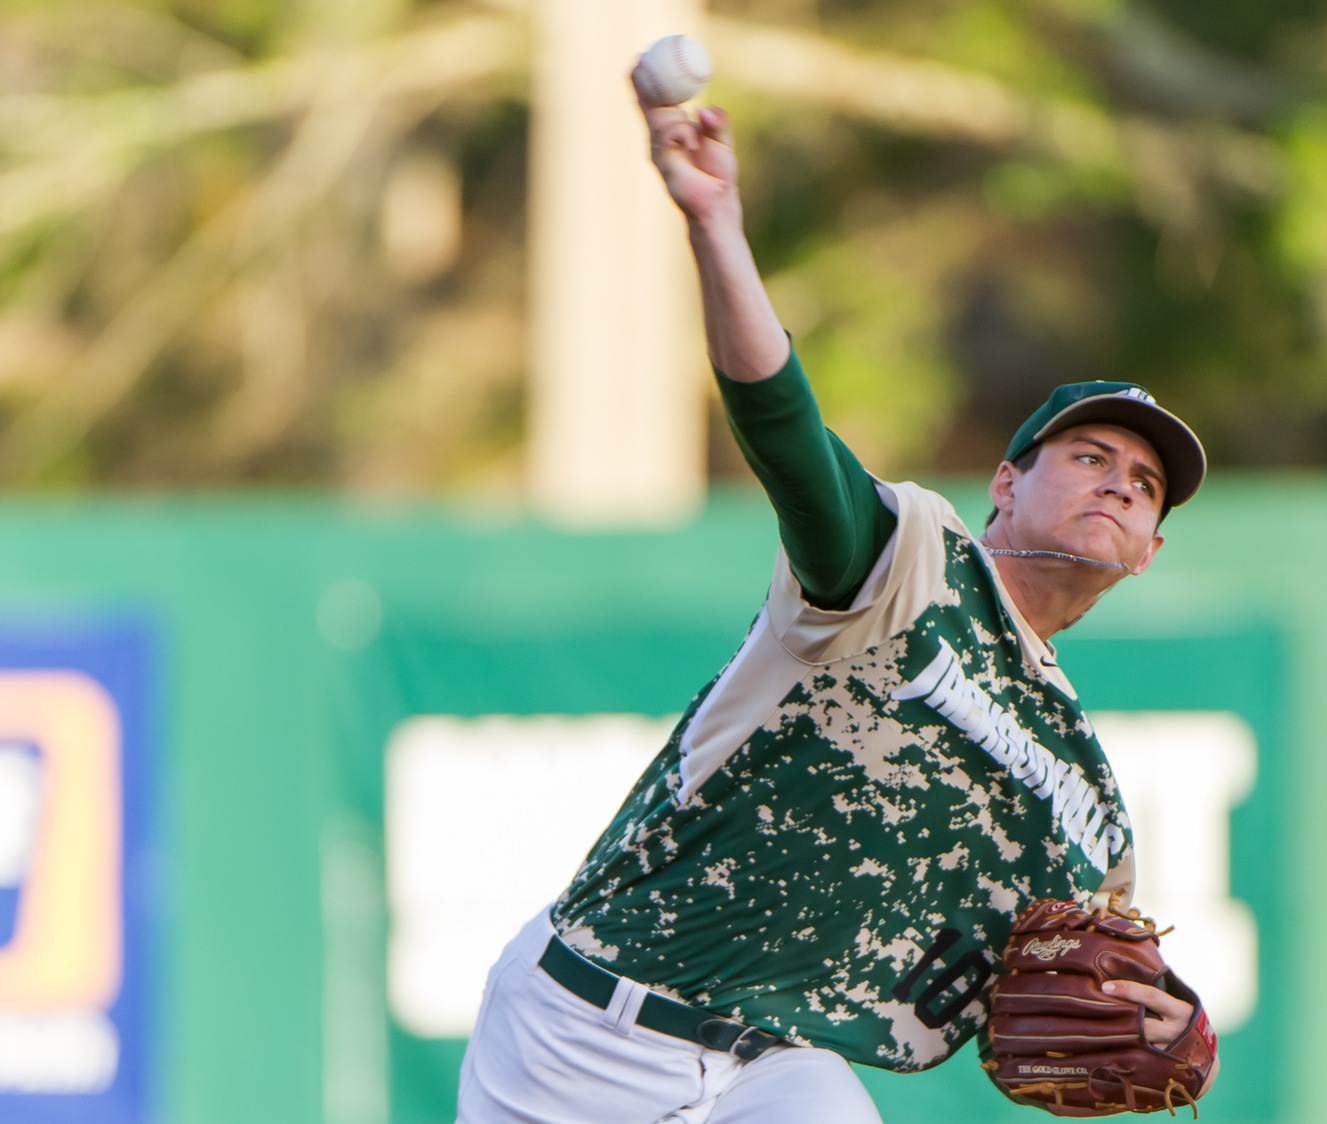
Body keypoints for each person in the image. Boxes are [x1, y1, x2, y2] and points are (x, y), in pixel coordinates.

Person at [454, 68, 1213, 1124]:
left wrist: (1171, 1029)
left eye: (1141, 488)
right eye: (1088, 455)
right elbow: (785, 433)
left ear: (1146, 550)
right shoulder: (907, 562)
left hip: (779, 1065)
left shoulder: (1087, 807)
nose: (1117, 486)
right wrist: (715, 223)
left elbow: (1087, 1001)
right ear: (1007, 482)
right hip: (590, 1024)